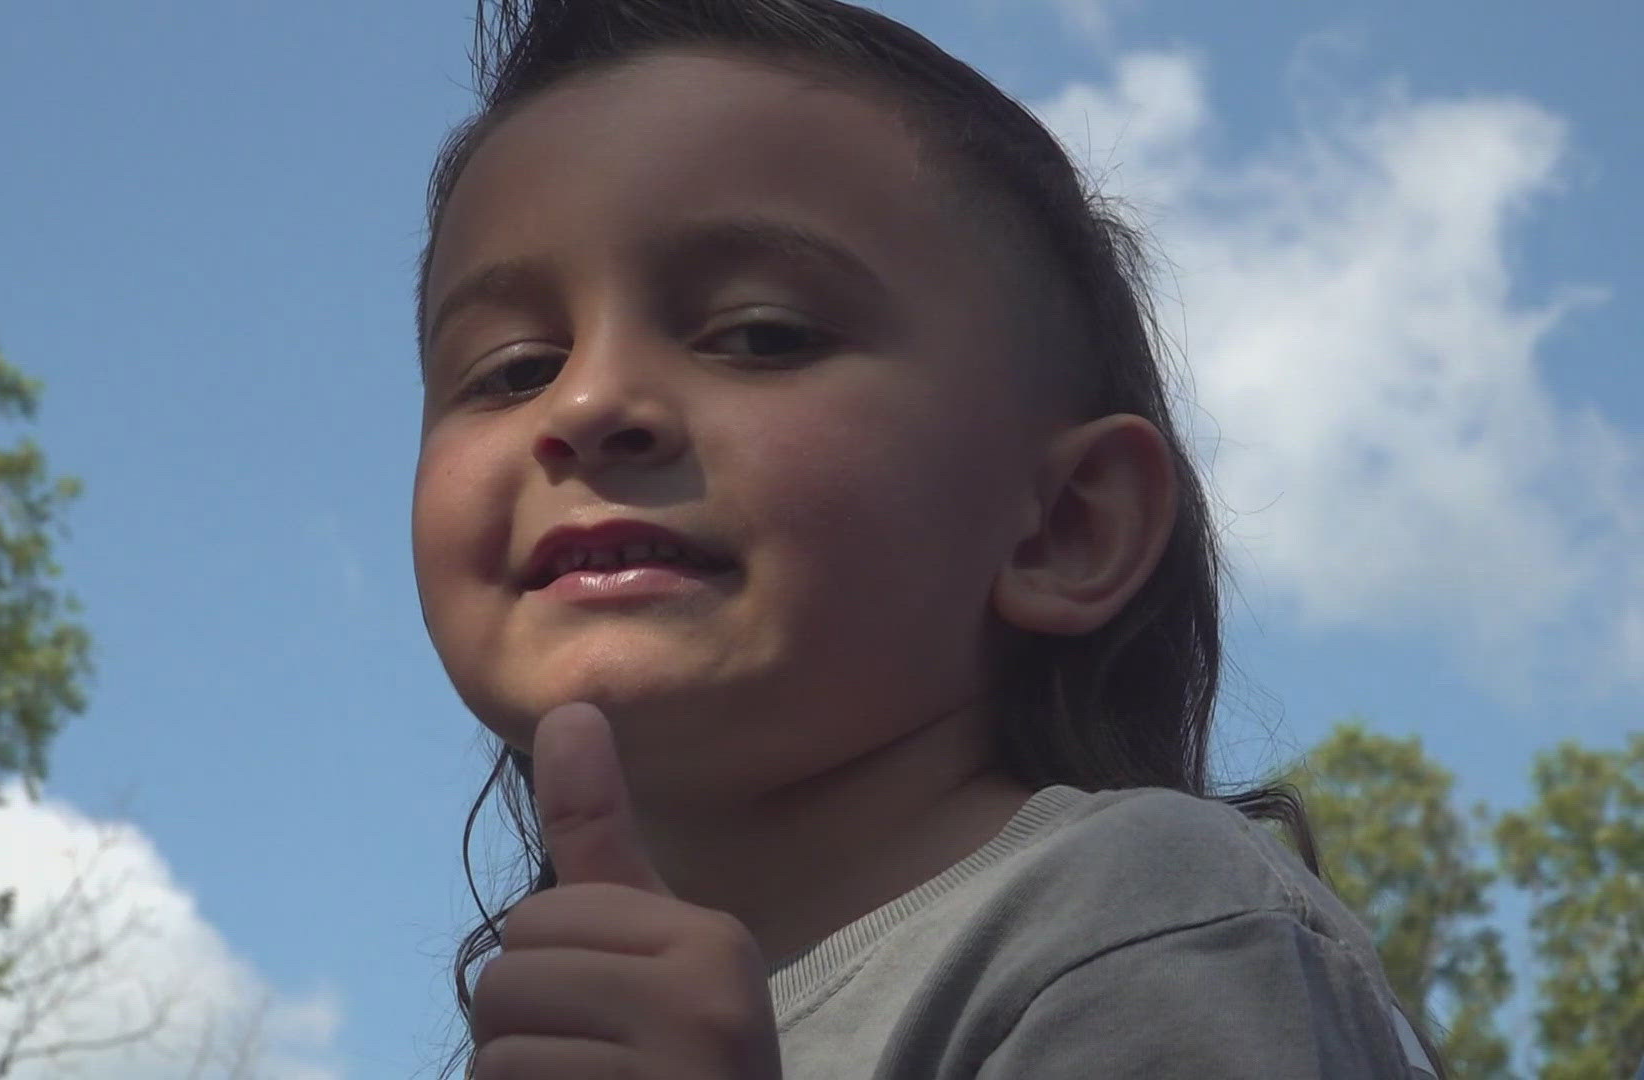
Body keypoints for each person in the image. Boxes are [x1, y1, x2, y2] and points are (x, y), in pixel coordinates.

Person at [409, 1, 1445, 1076]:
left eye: (763, 334)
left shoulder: (1139, 916)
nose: (585, 405)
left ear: (1067, 525)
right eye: (515, 366)